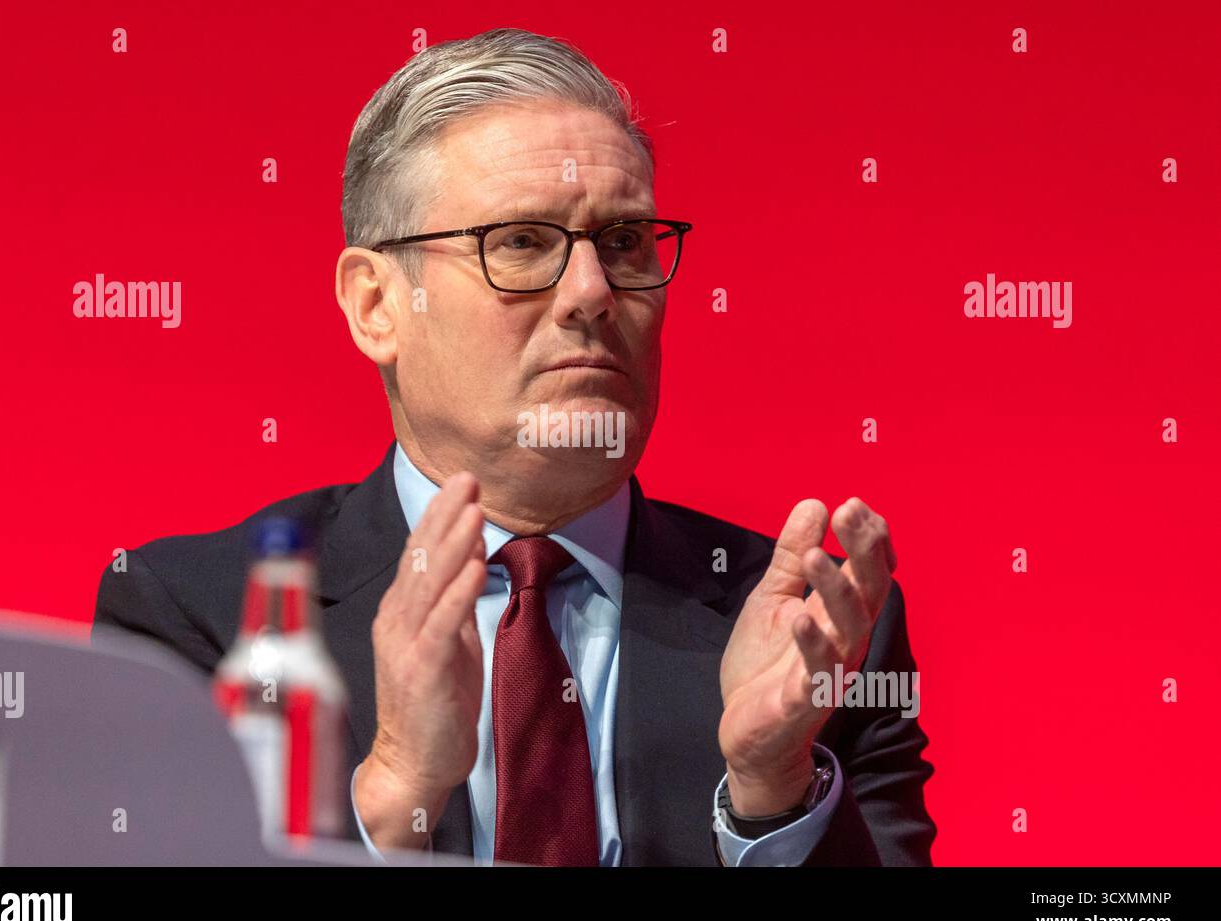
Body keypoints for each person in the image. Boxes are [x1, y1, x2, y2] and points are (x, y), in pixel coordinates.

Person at [93, 27, 936, 867]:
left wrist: (771, 794)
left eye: (625, 243)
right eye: (522, 244)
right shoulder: (202, 616)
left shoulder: (809, 628)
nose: (592, 295)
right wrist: (392, 801)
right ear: (377, 304)